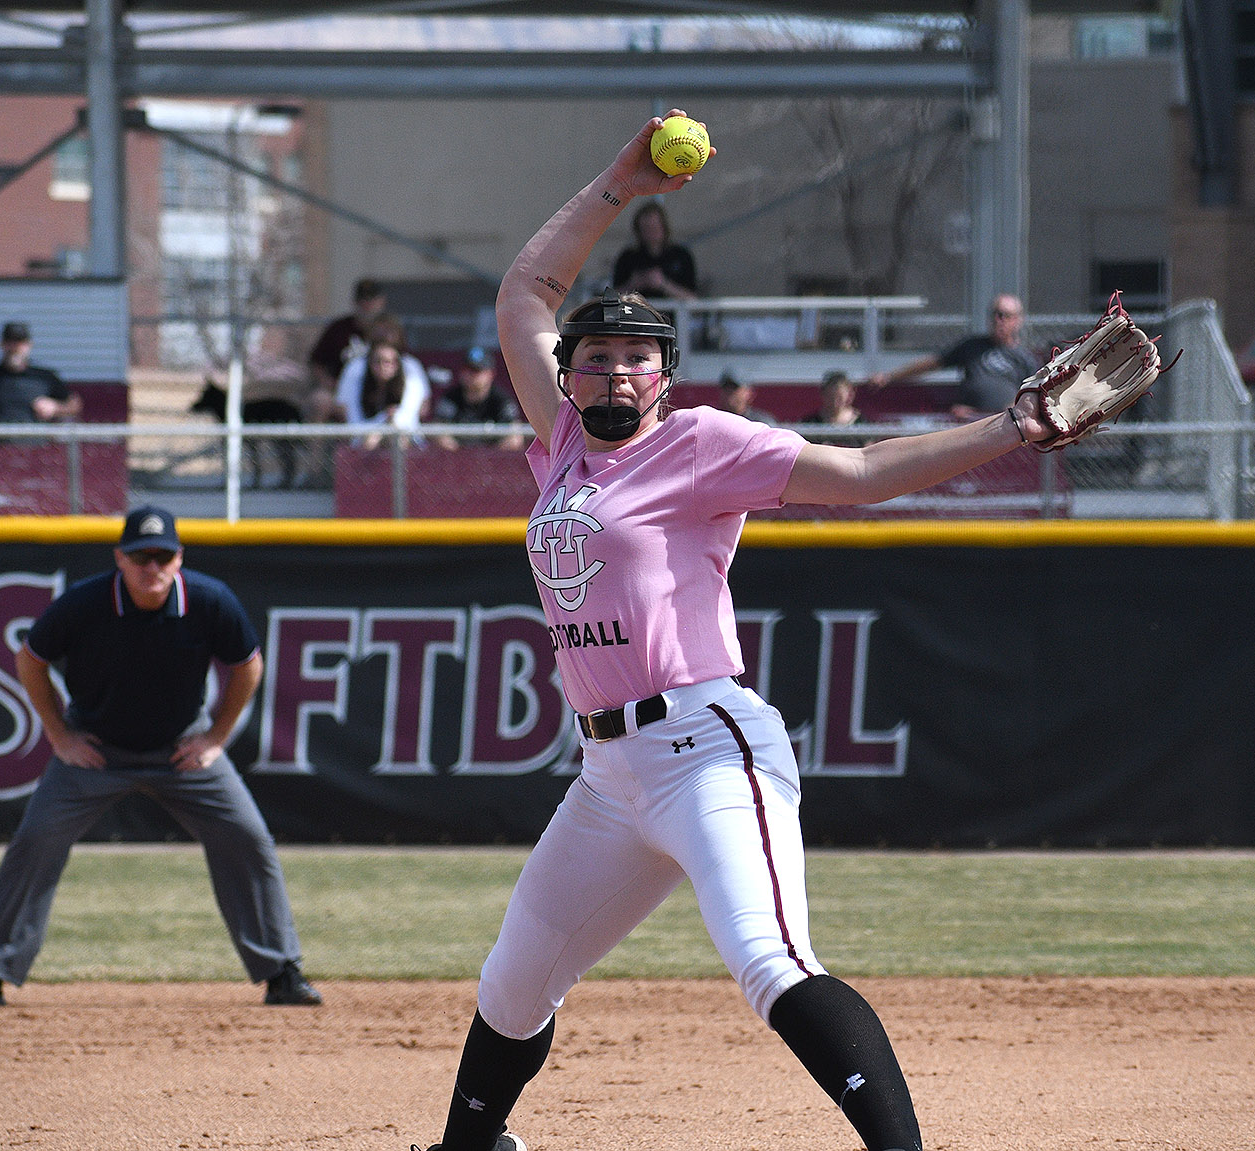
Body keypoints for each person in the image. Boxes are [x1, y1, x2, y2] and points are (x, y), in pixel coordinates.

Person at [412, 110, 1061, 1151]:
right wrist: (620, 183)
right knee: (514, 980)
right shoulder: (565, 445)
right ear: (571, 374)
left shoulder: (702, 444)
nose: (615, 372)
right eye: (598, 357)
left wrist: (1011, 428)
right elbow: (525, 292)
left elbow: (854, 478)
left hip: (708, 746)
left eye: (636, 358)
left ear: (664, 378)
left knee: (770, 960)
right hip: (608, 773)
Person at [0, 506, 320, 1010]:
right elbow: (30, 660)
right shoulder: (85, 604)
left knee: (246, 836)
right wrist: (59, 735)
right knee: (36, 839)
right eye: (141, 556)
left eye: (163, 556)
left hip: (180, 751)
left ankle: (282, 973)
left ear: (179, 558)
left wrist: (215, 738)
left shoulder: (208, 600)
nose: (153, 568)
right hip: (95, 750)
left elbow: (247, 666)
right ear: (119, 558)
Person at [870, 294, 1039, 421]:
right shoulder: (972, 346)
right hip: (968, 422)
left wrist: (1006, 412)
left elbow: (1031, 396)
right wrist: (890, 377)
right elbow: (931, 364)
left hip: (1005, 424)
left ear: (1017, 320)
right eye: (994, 314)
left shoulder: (1025, 358)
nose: (998, 320)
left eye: (1004, 315)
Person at [0, 321, 82, 424]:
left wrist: (55, 407)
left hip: (36, 446)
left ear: (29, 345)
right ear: (2, 344)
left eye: (19, 343)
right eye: (10, 342)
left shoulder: (45, 377)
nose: (14, 348)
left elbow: (74, 405)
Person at [306, 278, 390, 420]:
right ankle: (315, 443)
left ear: (382, 301)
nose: (367, 304)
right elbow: (316, 361)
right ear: (355, 302)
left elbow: (403, 363)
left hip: (378, 391)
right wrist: (328, 382)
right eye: (362, 300)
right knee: (320, 400)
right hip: (341, 392)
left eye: (372, 299)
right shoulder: (339, 328)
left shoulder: (389, 330)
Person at [335, 336, 429, 450]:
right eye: (377, 361)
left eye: (388, 362)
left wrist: (392, 420)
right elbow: (354, 419)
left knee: (398, 439)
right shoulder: (359, 381)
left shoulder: (411, 380)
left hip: (404, 435)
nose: (383, 367)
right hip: (367, 433)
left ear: (397, 364)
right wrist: (383, 419)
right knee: (371, 441)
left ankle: (402, 468)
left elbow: (408, 419)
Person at [431, 346, 524, 451]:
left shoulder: (501, 400)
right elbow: (438, 431)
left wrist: (490, 456)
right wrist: (462, 455)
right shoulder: (451, 398)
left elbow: (515, 437)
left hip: (493, 461)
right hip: (458, 461)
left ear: (490, 374)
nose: (471, 376)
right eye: (467, 370)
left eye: (477, 371)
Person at [610, 201, 697, 301]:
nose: (651, 233)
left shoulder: (681, 256)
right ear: (638, 230)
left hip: (673, 315)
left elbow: (692, 298)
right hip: (637, 314)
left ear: (664, 227)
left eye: (654, 228)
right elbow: (613, 296)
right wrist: (633, 284)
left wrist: (663, 284)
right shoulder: (628, 257)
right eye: (646, 229)